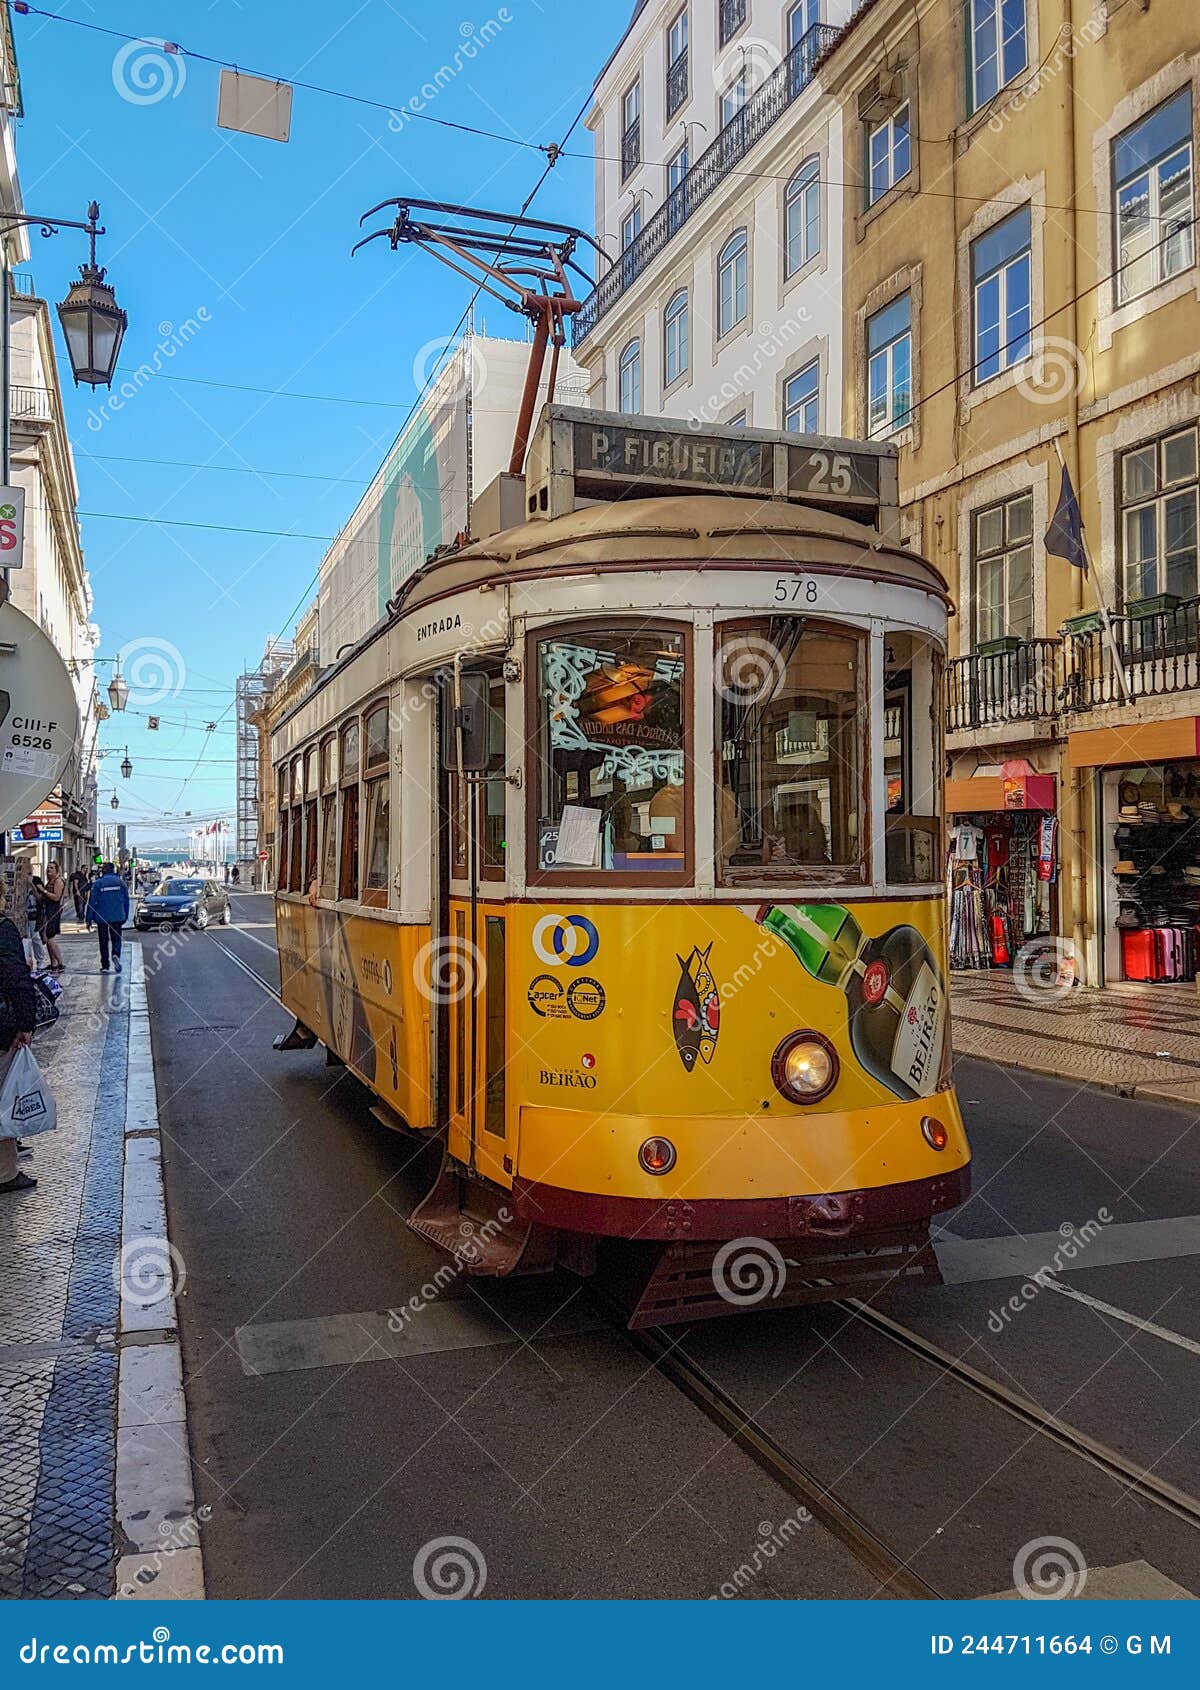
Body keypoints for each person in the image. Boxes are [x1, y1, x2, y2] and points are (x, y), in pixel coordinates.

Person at [0, 888, 37, 1193]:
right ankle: (5, 1173)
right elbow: (15, 978)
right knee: (3, 1098)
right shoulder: (3, 929)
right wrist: (26, 1023)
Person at [86, 861, 130, 974]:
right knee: (116, 939)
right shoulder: (121, 883)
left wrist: (89, 918)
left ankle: (105, 965)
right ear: (113, 870)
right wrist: (125, 915)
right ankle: (116, 954)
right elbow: (126, 901)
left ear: (103, 871)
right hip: (117, 916)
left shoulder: (98, 884)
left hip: (102, 917)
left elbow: (91, 902)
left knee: (103, 941)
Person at [42, 862, 66, 972]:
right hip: (47, 910)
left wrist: (44, 891)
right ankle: (53, 963)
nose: (48, 870)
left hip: (54, 911)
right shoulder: (50, 881)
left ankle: (60, 963)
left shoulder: (58, 881)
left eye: (51, 868)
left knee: (49, 936)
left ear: (57, 869)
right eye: (48, 868)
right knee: (47, 937)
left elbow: (56, 897)